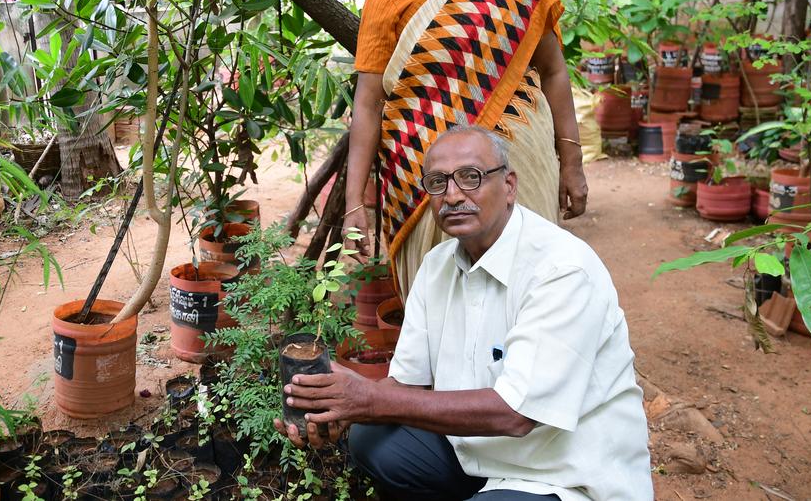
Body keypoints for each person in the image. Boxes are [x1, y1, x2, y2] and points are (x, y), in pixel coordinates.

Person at [279, 126, 652, 501]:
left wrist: (369, 400)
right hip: (478, 457)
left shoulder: (561, 270)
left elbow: (516, 414)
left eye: (471, 177)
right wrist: (338, 405)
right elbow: (406, 386)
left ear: (509, 185)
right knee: (373, 437)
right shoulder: (436, 266)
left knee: (379, 415)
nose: (453, 195)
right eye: (438, 182)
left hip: (562, 475)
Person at [344, 0, 588, 295]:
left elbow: (554, 70)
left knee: (527, 292)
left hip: (515, 158)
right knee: (440, 303)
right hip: (422, 180)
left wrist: (571, 161)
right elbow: (369, 102)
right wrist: (353, 201)